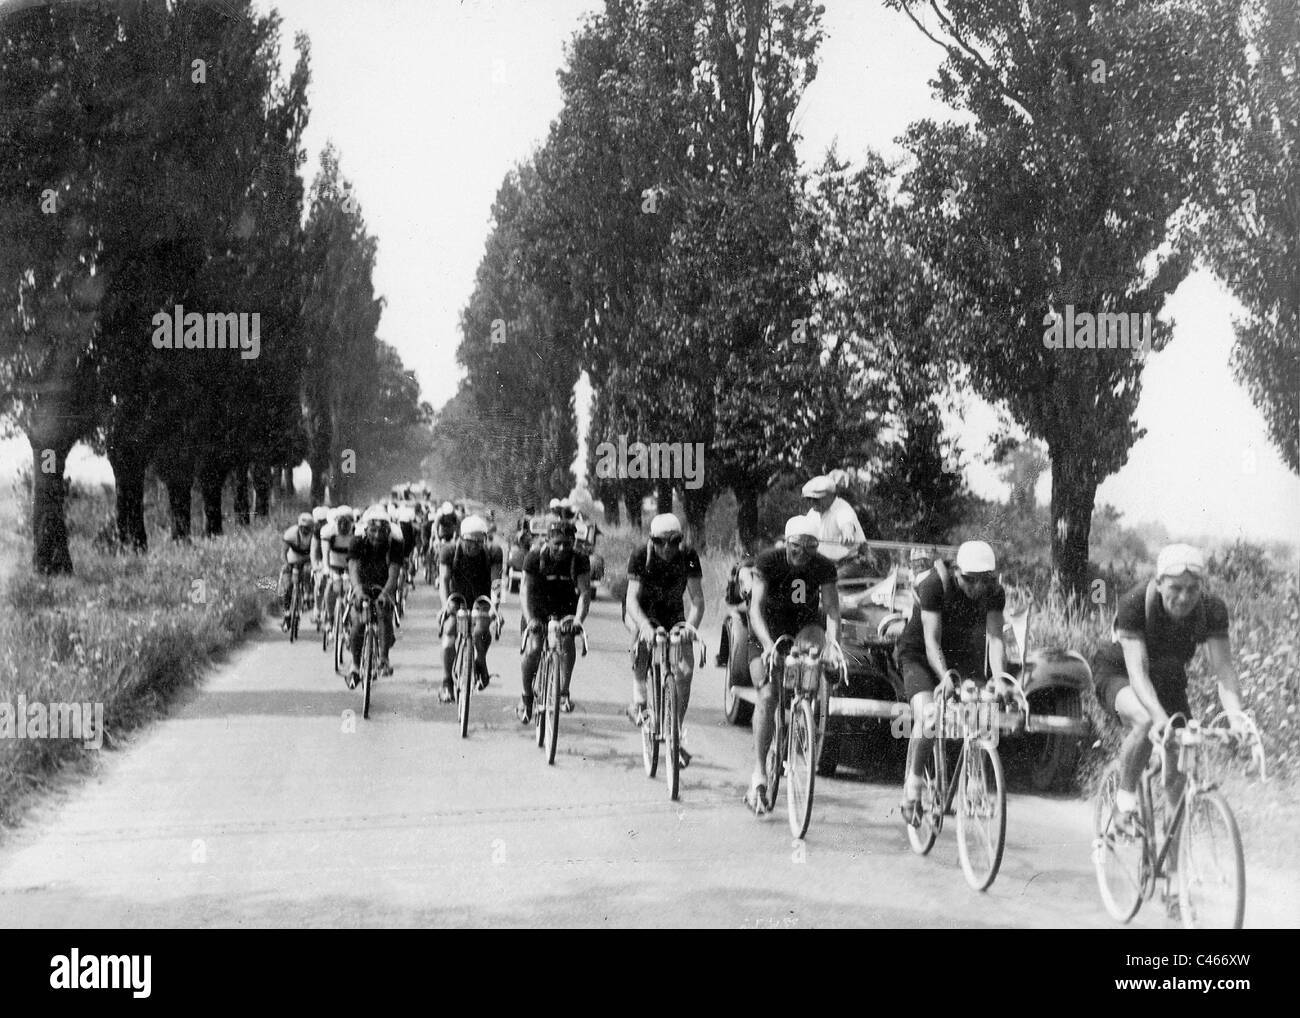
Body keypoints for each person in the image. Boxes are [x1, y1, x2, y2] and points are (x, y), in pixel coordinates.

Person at [1091, 544, 1244, 831]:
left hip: (1168, 680)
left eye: (1193, 588)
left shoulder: (1211, 610)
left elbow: (1224, 670)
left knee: (1179, 769)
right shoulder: (1136, 602)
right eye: (1175, 587)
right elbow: (1138, 673)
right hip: (1119, 673)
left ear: (1202, 587)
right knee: (1147, 719)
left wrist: (1237, 719)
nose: (1184, 597)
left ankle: (1172, 870)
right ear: (1159, 583)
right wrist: (1160, 719)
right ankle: (1124, 804)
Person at [895, 540, 1006, 827]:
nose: (975, 588)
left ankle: (973, 782)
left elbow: (995, 639)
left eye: (983, 581)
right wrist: (943, 676)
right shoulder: (935, 585)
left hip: (959, 655)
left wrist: (1000, 678)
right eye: (969, 580)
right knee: (930, 716)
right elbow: (931, 642)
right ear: (957, 572)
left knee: (981, 711)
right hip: (921, 655)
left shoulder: (994, 594)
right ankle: (913, 786)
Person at [744, 515, 842, 814]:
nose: (803, 554)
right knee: (768, 696)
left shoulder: (824, 567)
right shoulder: (769, 562)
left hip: (803, 630)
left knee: (816, 656)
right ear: (787, 543)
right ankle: (759, 773)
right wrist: (767, 645)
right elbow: (755, 610)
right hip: (766, 632)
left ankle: (803, 710)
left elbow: (833, 612)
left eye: (811, 548)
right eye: (797, 547)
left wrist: (833, 645)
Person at [623, 513, 705, 768]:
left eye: (674, 542)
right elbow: (631, 601)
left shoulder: (688, 556)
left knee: (685, 669)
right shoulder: (640, 556)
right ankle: (639, 697)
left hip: (672, 612)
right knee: (642, 639)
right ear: (651, 541)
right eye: (660, 542)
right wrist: (645, 626)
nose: (667, 548)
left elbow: (697, 602)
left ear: (681, 541)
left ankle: (674, 734)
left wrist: (689, 629)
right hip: (642, 611)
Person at [518, 518, 591, 721]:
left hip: (565, 609)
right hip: (537, 609)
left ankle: (564, 691)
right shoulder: (534, 558)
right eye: (557, 543)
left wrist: (578, 620)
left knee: (567, 641)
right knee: (533, 649)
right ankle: (526, 697)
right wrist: (530, 619)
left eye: (567, 544)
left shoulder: (580, 559)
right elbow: (524, 592)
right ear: (548, 541)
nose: (561, 548)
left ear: (573, 542)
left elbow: (585, 594)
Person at [437, 514, 503, 704]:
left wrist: (495, 608)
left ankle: (480, 660)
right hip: (456, 598)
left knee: (482, 630)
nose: (473, 546)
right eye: (469, 542)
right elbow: (443, 580)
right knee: (449, 631)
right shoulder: (448, 551)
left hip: (481, 599)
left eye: (478, 542)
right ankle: (447, 680)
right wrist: (445, 604)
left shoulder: (494, 552)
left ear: (484, 541)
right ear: (460, 538)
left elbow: (497, 583)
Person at [345, 505, 403, 688]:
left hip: (384, 583)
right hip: (361, 582)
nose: (377, 535)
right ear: (366, 529)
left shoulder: (396, 543)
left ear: (388, 531)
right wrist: (358, 591)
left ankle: (384, 659)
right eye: (373, 530)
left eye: (382, 531)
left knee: (383, 613)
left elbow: (394, 574)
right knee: (359, 623)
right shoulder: (356, 541)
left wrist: (386, 593)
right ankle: (354, 666)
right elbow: (353, 569)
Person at [802, 474, 866, 563]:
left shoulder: (842, 508)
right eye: (809, 499)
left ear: (831, 496)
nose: (812, 502)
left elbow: (847, 524)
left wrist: (847, 534)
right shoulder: (813, 513)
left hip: (851, 562)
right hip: (825, 564)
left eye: (816, 499)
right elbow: (804, 532)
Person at [318, 506, 356, 630]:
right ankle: (330, 618)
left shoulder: (357, 532)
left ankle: (349, 617)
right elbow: (325, 553)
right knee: (330, 587)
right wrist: (326, 569)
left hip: (350, 566)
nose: (343, 526)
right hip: (334, 565)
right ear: (336, 522)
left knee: (353, 591)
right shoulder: (329, 532)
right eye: (340, 522)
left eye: (347, 522)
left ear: (352, 522)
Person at [280, 512, 316, 631]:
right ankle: (286, 614)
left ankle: (307, 595)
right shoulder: (291, 534)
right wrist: (286, 564)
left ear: (311, 528)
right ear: (299, 526)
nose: (304, 530)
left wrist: (314, 565)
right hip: (292, 559)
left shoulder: (315, 536)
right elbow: (283, 552)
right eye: (302, 528)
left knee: (308, 574)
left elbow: (317, 553)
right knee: (287, 586)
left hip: (307, 560)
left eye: (307, 528)